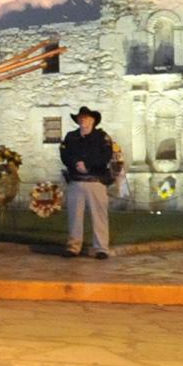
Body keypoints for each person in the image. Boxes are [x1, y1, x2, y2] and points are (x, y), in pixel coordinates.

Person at [61, 105, 120, 258]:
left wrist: (87, 165)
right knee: (74, 216)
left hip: (95, 181)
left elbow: (105, 156)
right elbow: (65, 155)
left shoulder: (102, 138)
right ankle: (74, 246)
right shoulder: (70, 137)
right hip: (76, 181)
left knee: (99, 216)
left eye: (86, 117)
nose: (83, 120)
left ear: (93, 120)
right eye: (80, 117)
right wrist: (76, 164)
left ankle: (101, 248)